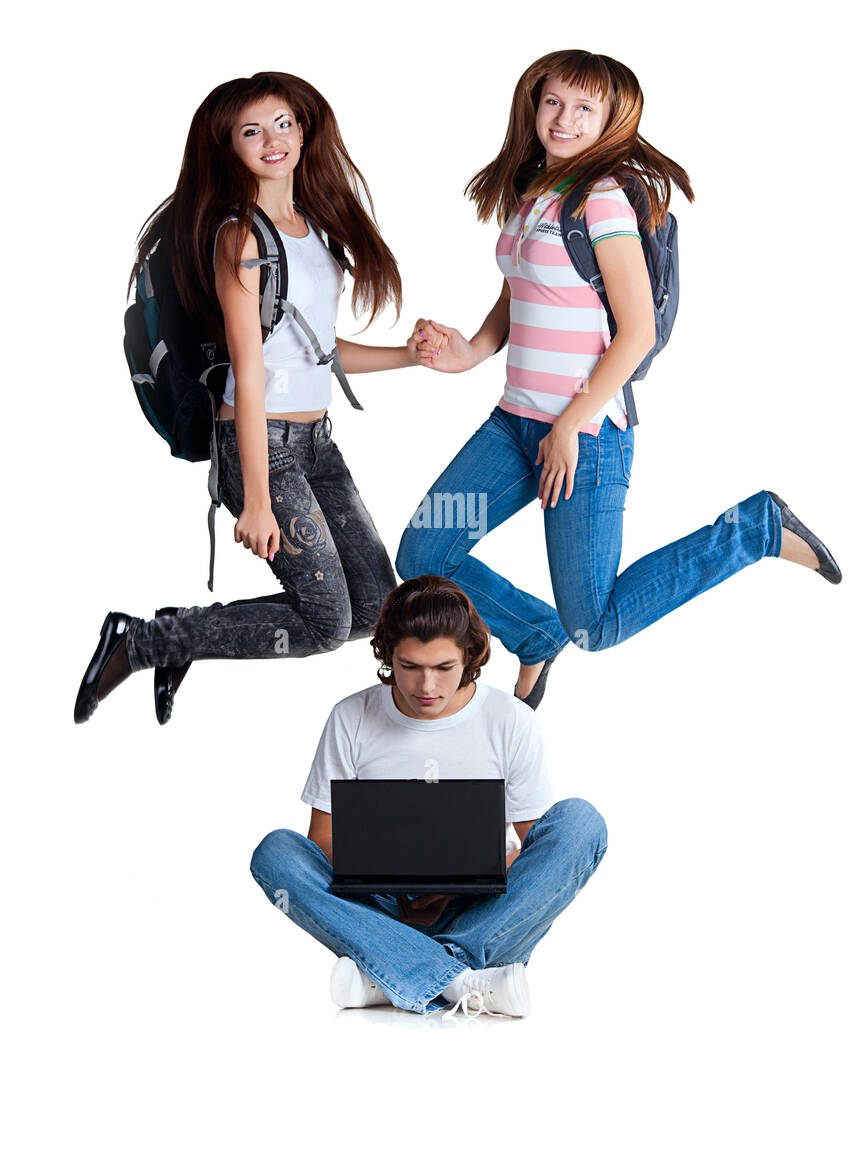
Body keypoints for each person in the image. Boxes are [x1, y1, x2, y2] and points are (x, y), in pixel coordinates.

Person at [397, 50, 842, 709]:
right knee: (424, 550)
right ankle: (533, 632)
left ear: (610, 120)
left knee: (595, 624)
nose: (565, 118)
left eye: (585, 108)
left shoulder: (601, 199)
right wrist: (466, 352)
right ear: (533, 103)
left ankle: (754, 529)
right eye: (554, 102)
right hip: (514, 427)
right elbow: (518, 303)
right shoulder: (530, 195)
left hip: (588, 435)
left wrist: (572, 423)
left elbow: (636, 332)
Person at [75, 71, 445, 726]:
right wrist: (256, 499)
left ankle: (172, 632)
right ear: (229, 147)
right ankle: (144, 642)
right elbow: (251, 372)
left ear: (305, 129)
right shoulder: (239, 236)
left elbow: (316, 350)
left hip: (318, 443)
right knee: (327, 622)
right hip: (258, 447)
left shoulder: (312, 227)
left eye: (282, 124)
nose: (271, 140)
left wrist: (406, 357)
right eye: (251, 130)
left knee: (372, 610)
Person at [249, 576, 607, 1017]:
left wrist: (452, 883)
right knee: (277, 853)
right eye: (409, 666)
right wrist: (391, 877)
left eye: (443, 668)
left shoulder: (510, 720)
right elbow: (321, 839)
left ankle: (390, 972)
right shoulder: (350, 717)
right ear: (387, 657)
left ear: (469, 658)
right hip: (379, 907)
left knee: (581, 822)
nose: (426, 686)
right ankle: (461, 978)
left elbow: (537, 852)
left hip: (481, 907)